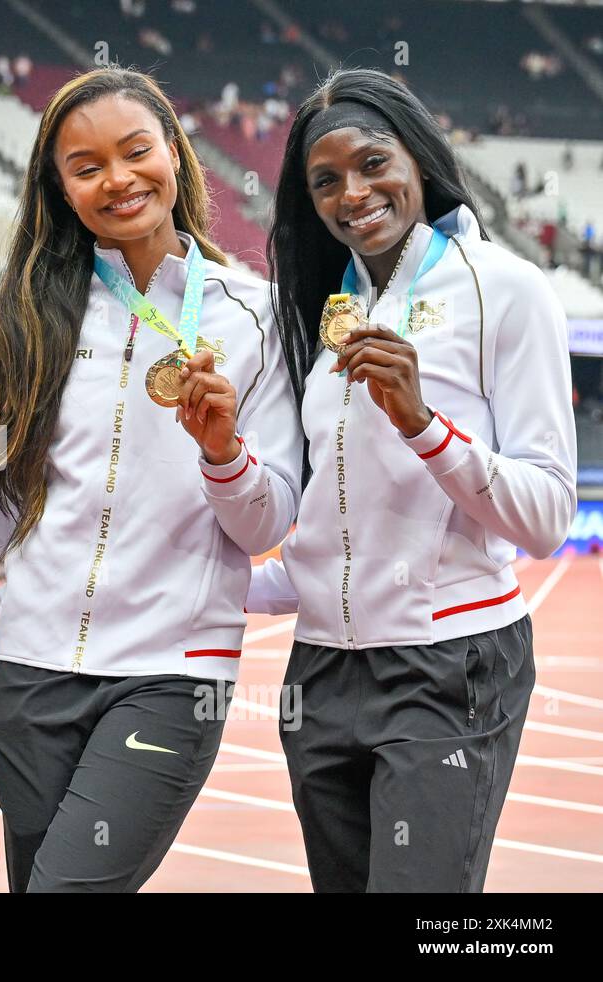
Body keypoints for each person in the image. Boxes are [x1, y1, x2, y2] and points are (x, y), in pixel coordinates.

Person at [0, 67, 301, 892]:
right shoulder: (25, 318)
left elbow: (266, 524)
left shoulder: (256, 317)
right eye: (86, 166)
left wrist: (225, 454)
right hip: (30, 668)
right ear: (59, 187)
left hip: (173, 672)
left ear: (175, 156)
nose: (118, 179)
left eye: (136, 151)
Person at [258, 68, 576, 892]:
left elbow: (544, 518)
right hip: (322, 670)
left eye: (372, 163)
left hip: (450, 662)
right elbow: (327, 537)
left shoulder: (505, 289)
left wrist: (423, 424)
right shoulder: (314, 310)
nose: (351, 194)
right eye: (324, 181)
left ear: (419, 159)